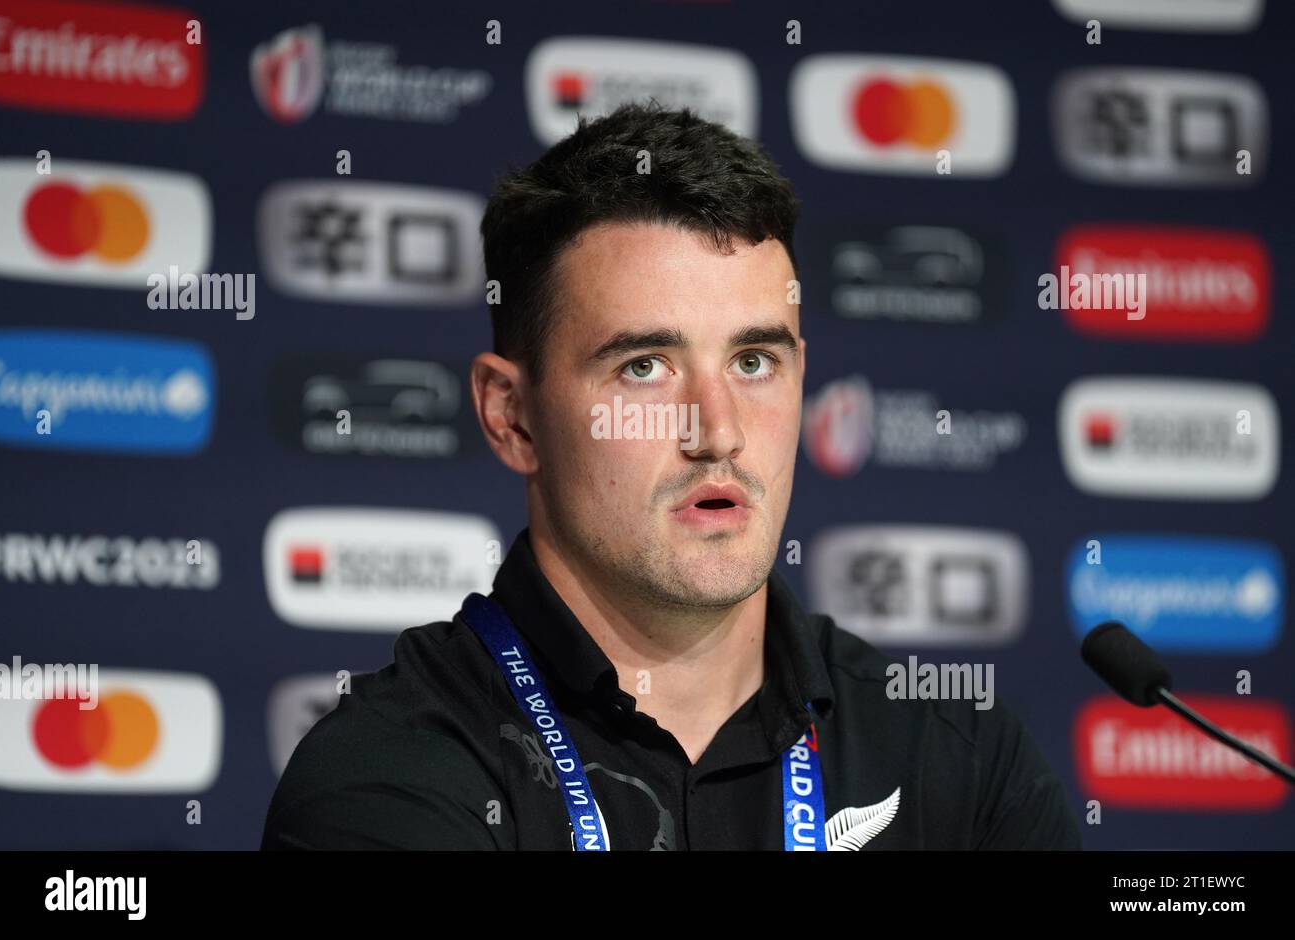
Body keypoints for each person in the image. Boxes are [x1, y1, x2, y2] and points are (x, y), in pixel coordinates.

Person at [261, 101, 1083, 851]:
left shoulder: (955, 754)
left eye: (755, 361)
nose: (717, 433)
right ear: (511, 415)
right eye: (645, 367)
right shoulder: (392, 778)